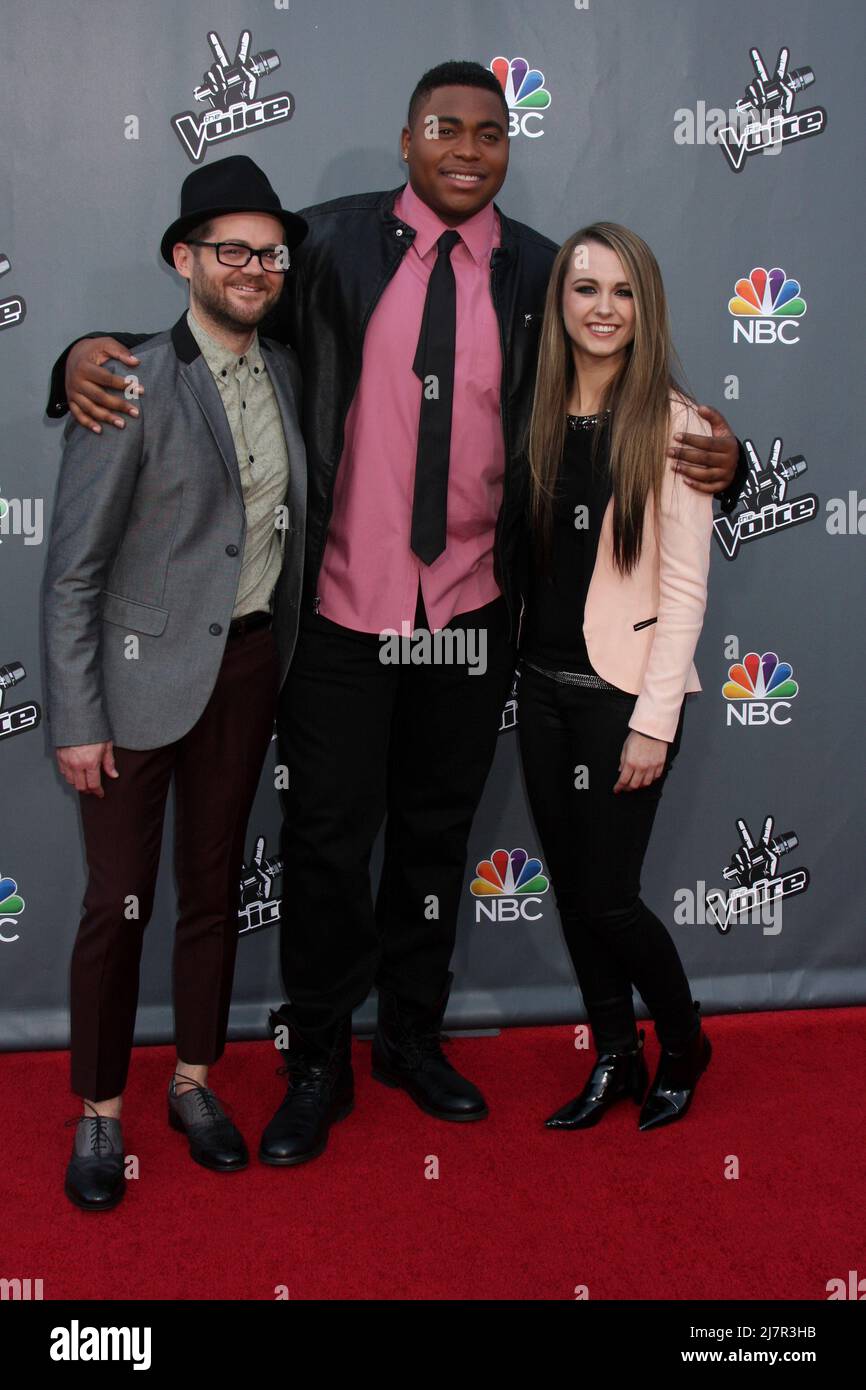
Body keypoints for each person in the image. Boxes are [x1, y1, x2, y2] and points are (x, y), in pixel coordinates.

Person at [46, 62, 747, 1166]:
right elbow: (211, 318)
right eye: (443, 128)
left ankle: (411, 1039)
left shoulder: (538, 269)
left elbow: (620, 395)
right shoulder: (323, 243)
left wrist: (729, 456)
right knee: (327, 845)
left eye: (488, 132)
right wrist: (80, 356)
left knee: (433, 843)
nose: (467, 148)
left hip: (470, 618)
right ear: (409, 138)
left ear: (507, 146)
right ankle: (316, 1058)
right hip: (340, 613)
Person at [41, 156, 308, 1208]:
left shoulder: (289, 372)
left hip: (246, 671)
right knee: (118, 903)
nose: (252, 267)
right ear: (184, 258)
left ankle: (194, 1080)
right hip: (133, 682)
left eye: (268, 252)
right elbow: (73, 569)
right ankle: (100, 1113)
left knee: (211, 894)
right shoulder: (127, 380)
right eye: (230, 249)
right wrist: (75, 714)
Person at [517, 222, 716, 1131]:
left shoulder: (681, 428)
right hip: (542, 689)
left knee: (608, 896)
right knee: (571, 889)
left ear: (647, 306)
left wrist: (654, 721)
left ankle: (682, 1042)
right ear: (559, 302)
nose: (603, 309)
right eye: (585, 288)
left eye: (623, 291)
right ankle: (615, 1057)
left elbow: (683, 591)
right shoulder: (535, 409)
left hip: (622, 700)